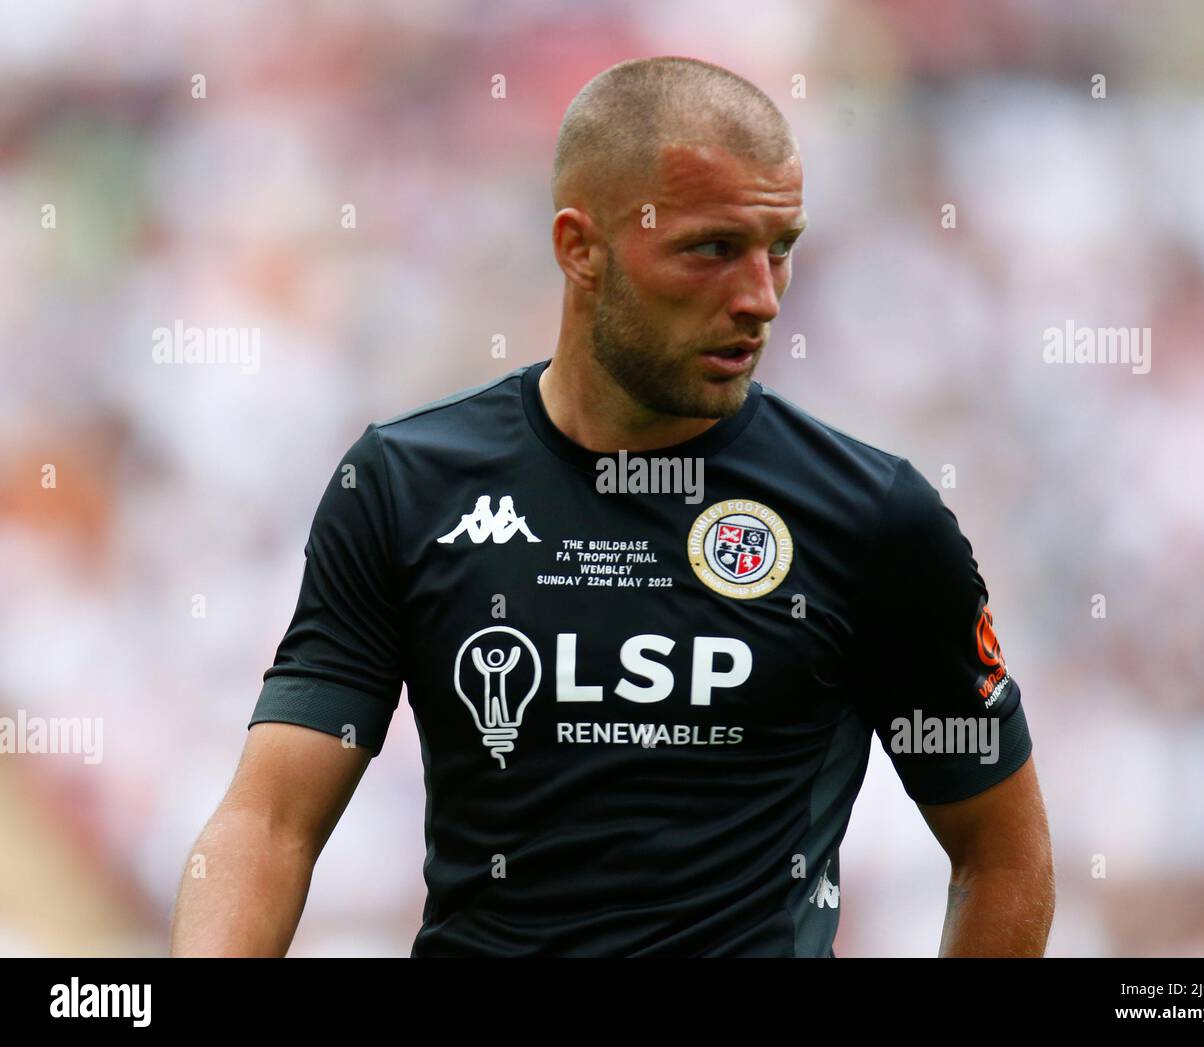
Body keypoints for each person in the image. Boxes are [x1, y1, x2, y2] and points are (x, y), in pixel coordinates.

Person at [170, 55, 1053, 958]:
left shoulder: (873, 518)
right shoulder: (404, 487)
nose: (761, 299)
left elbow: (1002, 856)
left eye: (779, 247)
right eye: (712, 249)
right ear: (579, 247)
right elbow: (270, 823)